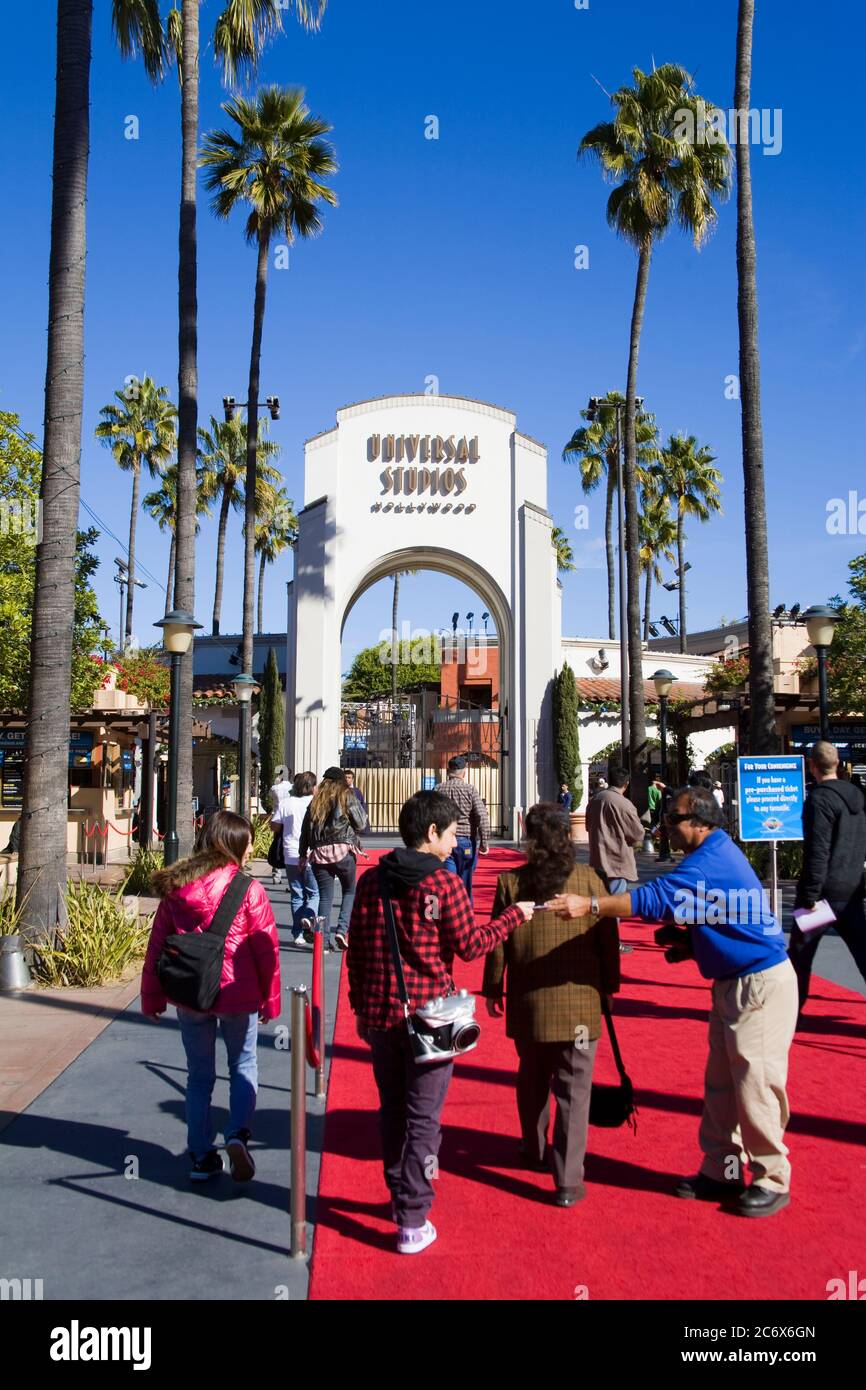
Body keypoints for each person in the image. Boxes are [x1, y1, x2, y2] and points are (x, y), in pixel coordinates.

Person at [551, 785, 798, 1218]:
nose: (666, 827)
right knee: (723, 1085)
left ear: (700, 822)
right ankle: (721, 1169)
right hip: (736, 981)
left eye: (674, 820)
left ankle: (772, 1178)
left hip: (755, 985)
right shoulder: (713, 854)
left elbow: (653, 899)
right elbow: (720, 914)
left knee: (756, 1083)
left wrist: (589, 904)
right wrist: (695, 945)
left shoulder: (706, 863)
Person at [347, 790, 534, 1254]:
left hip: (378, 1013)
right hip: (429, 1017)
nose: (456, 844)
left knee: (392, 1110)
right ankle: (412, 1216)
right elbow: (471, 945)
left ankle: (400, 1195)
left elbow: (357, 950)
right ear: (431, 833)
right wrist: (513, 917)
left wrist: (357, 1006)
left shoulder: (373, 881)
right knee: (424, 1118)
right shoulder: (443, 885)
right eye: (452, 834)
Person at [482, 803, 620, 1207]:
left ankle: (533, 1148)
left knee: (532, 1078)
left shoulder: (511, 882)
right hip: (579, 1000)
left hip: (529, 1000)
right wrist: (609, 986)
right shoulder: (590, 880)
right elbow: (607, 941)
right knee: (574, 1092)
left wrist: (493, 988)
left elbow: (497, 941)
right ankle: (568, 1180)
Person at [140, 811, 281, 1183]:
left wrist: (152, 997)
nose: (252, 848)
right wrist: (270, 1000)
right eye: (248, 841)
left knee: (199, 1076)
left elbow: (156, 947)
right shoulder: (249, 890)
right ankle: (237, 1134)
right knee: (243, 1066)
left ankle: (201, 1155)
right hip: (239, 992)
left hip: (192, 993)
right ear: (235, 844)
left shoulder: (178, 889)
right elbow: (266, 952)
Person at [789, 740, 866, 1015]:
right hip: (852, 889)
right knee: (863, 953)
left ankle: (789, 1014)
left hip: (822, 896)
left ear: (812, 766)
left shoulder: (819, 800)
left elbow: (817, 851)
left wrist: (809, 895)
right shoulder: (858, 797)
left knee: (799, 955)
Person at [299, 766, 368, 952]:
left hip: (319, 853)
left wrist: (301, 854)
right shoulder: (346, 796)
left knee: (325, 897)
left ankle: (323, 940)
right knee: (349, 891)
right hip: (343, 850)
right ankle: (342, 929)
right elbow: (361, 823)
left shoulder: (315, 801)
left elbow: (305, 830)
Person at [585, 766, 644, 953]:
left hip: (597, 857)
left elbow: (587, 826)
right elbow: (637, 834)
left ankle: (597, 939)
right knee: (614, 905)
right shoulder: (624, 804)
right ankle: (611, 942)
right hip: (616, 860)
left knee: (599, 902)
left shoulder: (595, 800)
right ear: (626, 784)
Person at [435, 755, 490, 901]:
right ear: (464, 772)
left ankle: (446, 911)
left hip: (444, 841)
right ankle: (466, 916)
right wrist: (484, 842)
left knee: (448, 881)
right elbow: (482, 816)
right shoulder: (470, 790)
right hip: (466, 840)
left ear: (448, 771)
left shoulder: (438, 789)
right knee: (465, 884)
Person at [279, 771, 320, 948]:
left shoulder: (285, 803)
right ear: (311, 786)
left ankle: (298, 934)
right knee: (314, 893)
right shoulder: (316, 803)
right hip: (310, 854)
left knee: (297, 894)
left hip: (290, 853)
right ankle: (308, 916)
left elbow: (275, 825)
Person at [268, 764, 293, 884]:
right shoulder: (292, 788)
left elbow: (270, 797)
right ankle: (289, 877)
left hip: (277, 818)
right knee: (288, 846)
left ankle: (276, 874)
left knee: (276, 845)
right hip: (289, 819)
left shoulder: (274, 788)